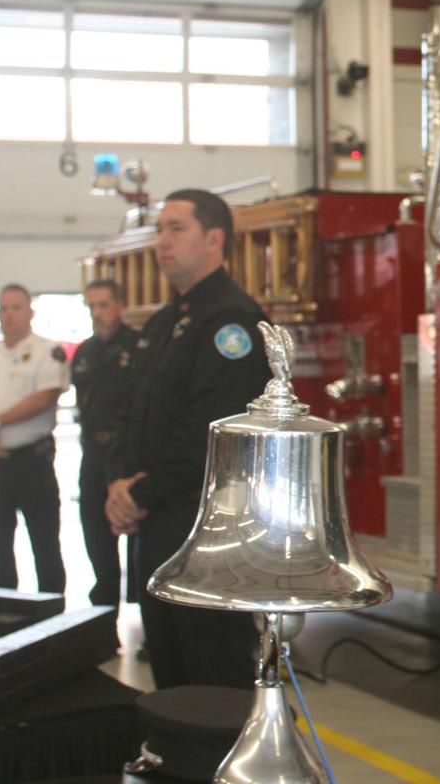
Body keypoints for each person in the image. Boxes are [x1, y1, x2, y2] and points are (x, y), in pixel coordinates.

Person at [105, 189, 269, 688]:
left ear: (215, 239)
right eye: (159, 230)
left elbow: (212, 433)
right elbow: (130, 414)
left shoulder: (231, 323)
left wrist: (139, 493)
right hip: (158, 525)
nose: (161, 242)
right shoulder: (162, 323)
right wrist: (118, 482)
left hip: (207, 532)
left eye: (176, 228)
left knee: (211, 674)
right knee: (169, 668)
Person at [0, 284, 70, 593]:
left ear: (30, 312)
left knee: (45, 547)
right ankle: (5, 620)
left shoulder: (48, 351)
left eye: (16, 307)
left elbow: (44, 398)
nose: (9, 315)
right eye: (3, 308)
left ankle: (54, 623)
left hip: (31, 461)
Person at [72, 278, 137, 611]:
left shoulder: (137, 348)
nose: (98, 313)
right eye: (92, 306)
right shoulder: (85, 353)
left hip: (127, 455)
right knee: (96, 534)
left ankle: (145, 621)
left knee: (138, 540)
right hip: (93, 455)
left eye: (103, 305)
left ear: (119, 305)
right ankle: (104, 616)